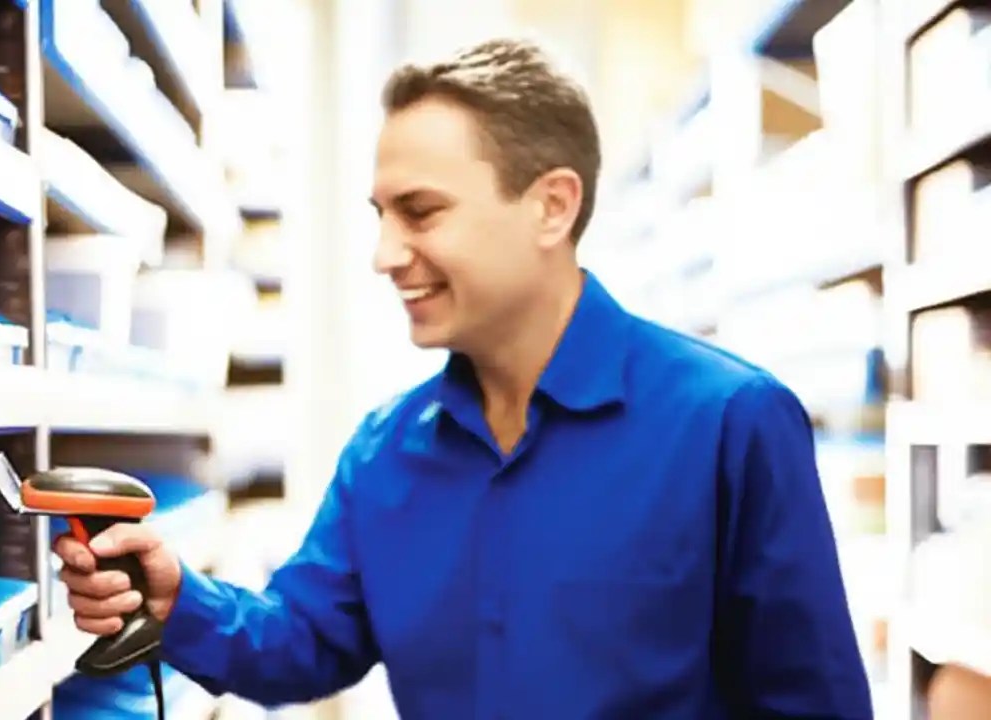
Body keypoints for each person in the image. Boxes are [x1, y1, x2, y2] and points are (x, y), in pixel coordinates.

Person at [53, 37, 874, 719]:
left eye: (422, 212)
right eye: (381, 216)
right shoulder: (386, 452)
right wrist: (176, 599)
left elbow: (812, 706)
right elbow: (303, 641)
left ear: (552, 206)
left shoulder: (728, 423)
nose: (384, 255)